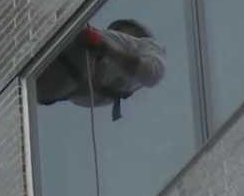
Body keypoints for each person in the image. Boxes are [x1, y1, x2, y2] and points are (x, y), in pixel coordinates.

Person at [34, 19, 166, 121]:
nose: (117, 33)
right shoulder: (108, 95)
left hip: (77, 54)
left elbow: (151, 72)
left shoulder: (147, 46)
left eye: (121, 31)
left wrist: (104, 48)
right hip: (52, 83)